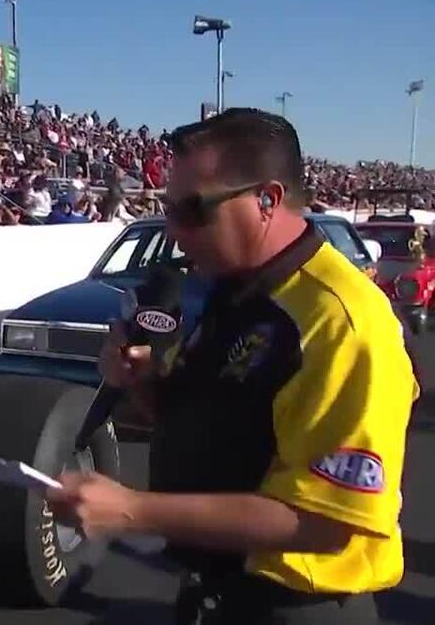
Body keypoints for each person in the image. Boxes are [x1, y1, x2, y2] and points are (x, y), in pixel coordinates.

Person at [48, 109, 416, 625]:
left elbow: (328, 523)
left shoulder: (342, 322)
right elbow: (204, 428)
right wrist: (142, 381)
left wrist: (131, 509)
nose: (175, 232)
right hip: (214, 591)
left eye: (192, 210)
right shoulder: (235, 291)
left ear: (267, 200)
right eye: (168, 208)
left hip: (296, 605)